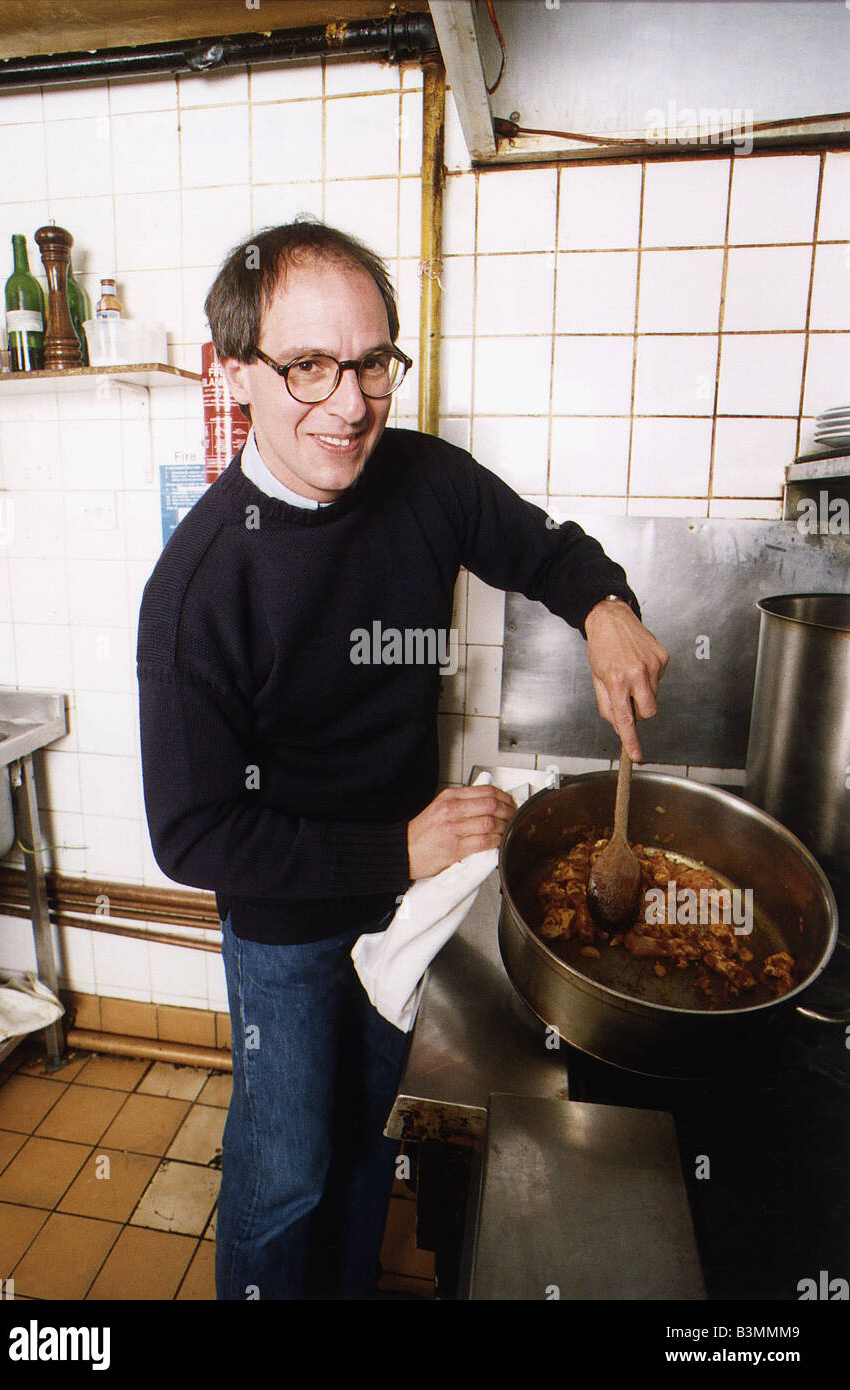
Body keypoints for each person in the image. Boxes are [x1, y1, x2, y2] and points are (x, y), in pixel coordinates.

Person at [136, 220, 669, 1301]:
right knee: (284, 1174)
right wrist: (398, 842)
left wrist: (606, 605)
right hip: (286, 930)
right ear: (237, 373)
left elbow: (545, 550)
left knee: (373, 1146)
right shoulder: (199, 590)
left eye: (373, 360)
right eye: (308, 366)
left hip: (406, 907)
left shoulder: (424, 480)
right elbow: (193, 831)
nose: (351, 401)